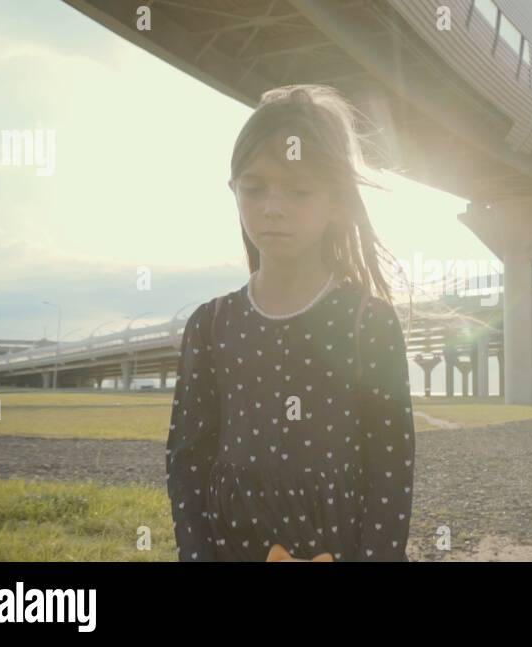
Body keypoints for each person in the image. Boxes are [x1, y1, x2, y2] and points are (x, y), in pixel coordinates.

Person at [166, 84, 416, 561]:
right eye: (254, 188)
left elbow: (390, 472)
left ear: (337, 202)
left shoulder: (368, 323)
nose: (272, 207)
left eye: (298, 190)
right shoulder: (210, 325)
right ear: (233, 190)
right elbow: (188, 460)